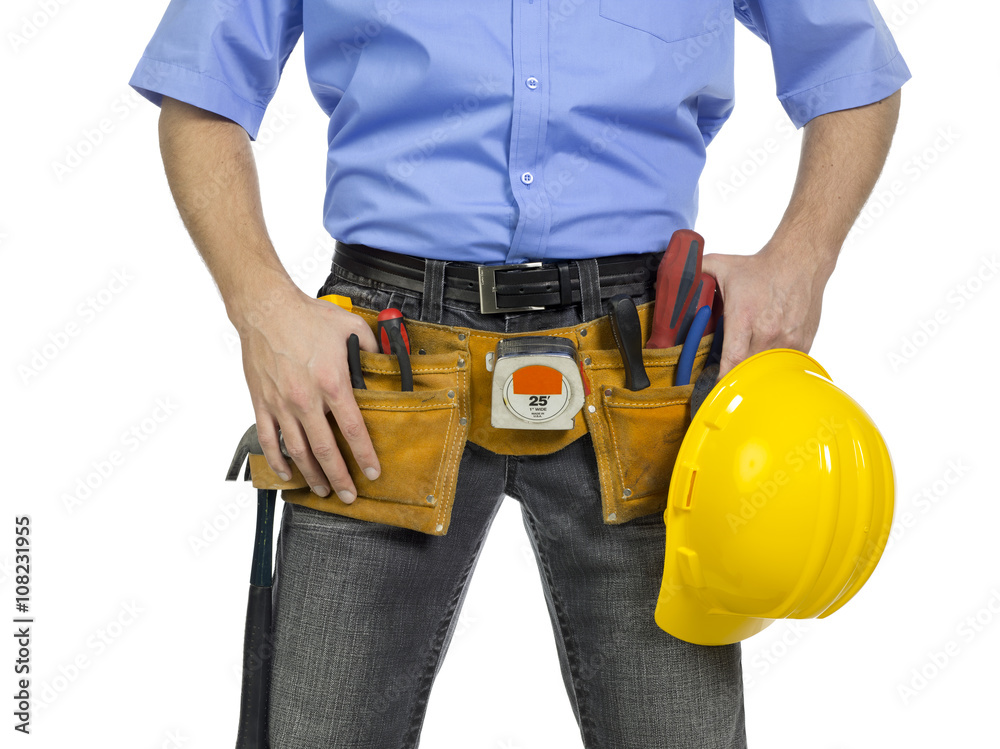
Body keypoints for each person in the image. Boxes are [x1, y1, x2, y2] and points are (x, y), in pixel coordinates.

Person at [130, 2, 908, 746]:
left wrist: (802, 262)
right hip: (382, 367)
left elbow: (853, 63)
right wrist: (261, 306)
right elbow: (201, 93)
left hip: (643, 367)